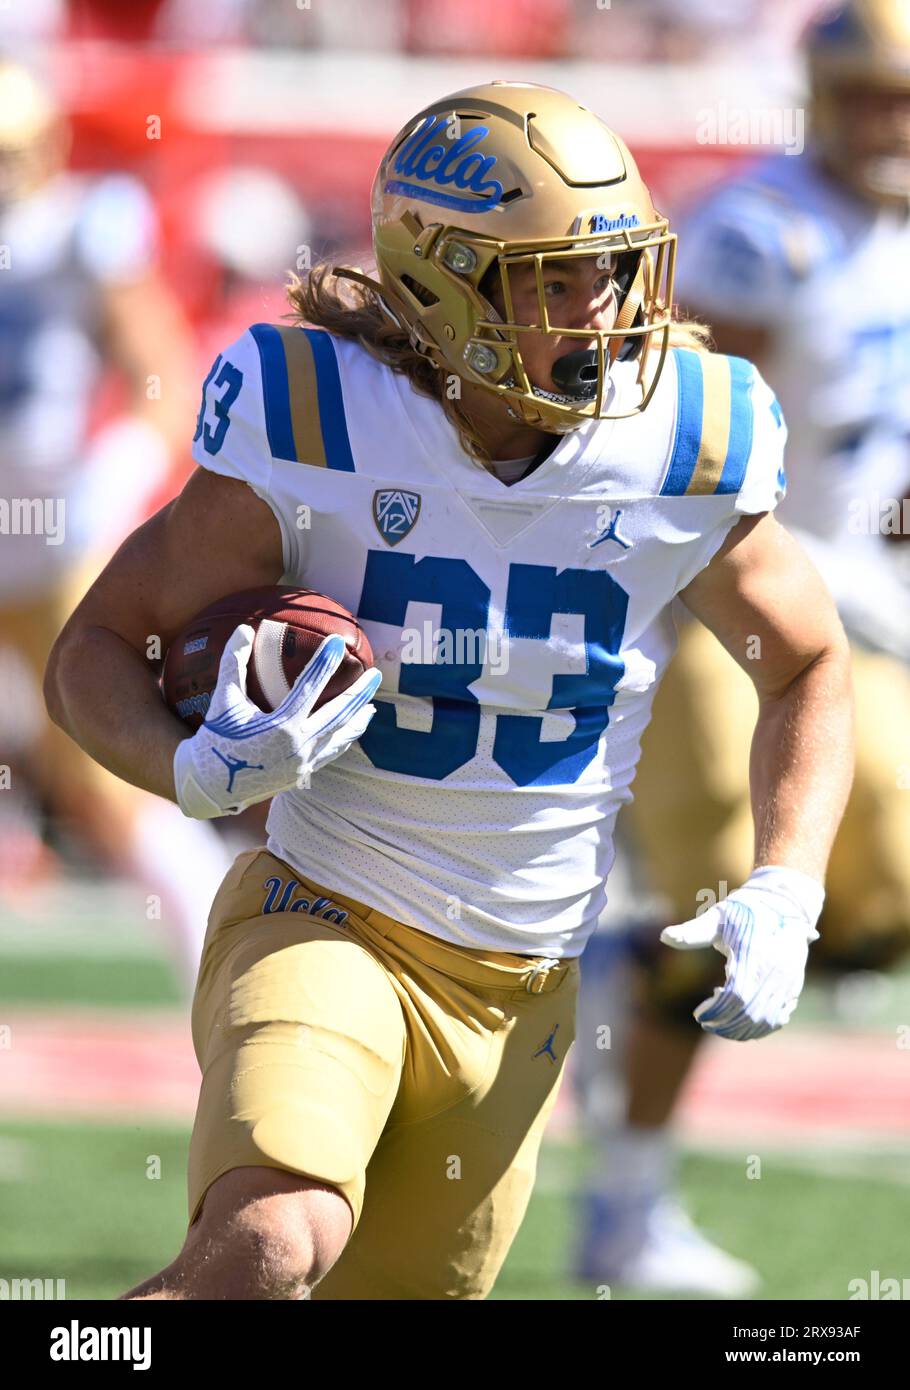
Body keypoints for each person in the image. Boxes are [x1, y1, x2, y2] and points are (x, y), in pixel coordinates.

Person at [45, 80, 854, 1301]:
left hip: (526, 976)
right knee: (268, 1245)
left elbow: (805, 661)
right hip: (329, 913)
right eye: (556, 281)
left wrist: (787, 881)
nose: (608, 313)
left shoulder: (687, 431)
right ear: (440, 280)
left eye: (618, 271)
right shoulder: (316, 413)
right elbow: (96, 646)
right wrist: (188, 770)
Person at [575, 0, 910, 1296]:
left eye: (904, 99)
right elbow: (702, 447)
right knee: (719, 907)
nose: (887, 125)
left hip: (863, 600)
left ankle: (614, 975)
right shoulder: (756, 233)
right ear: (819, 96)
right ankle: (622, 1209)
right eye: (869, 97)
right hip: (737, 608)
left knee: (864, 908)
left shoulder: (887, 232)